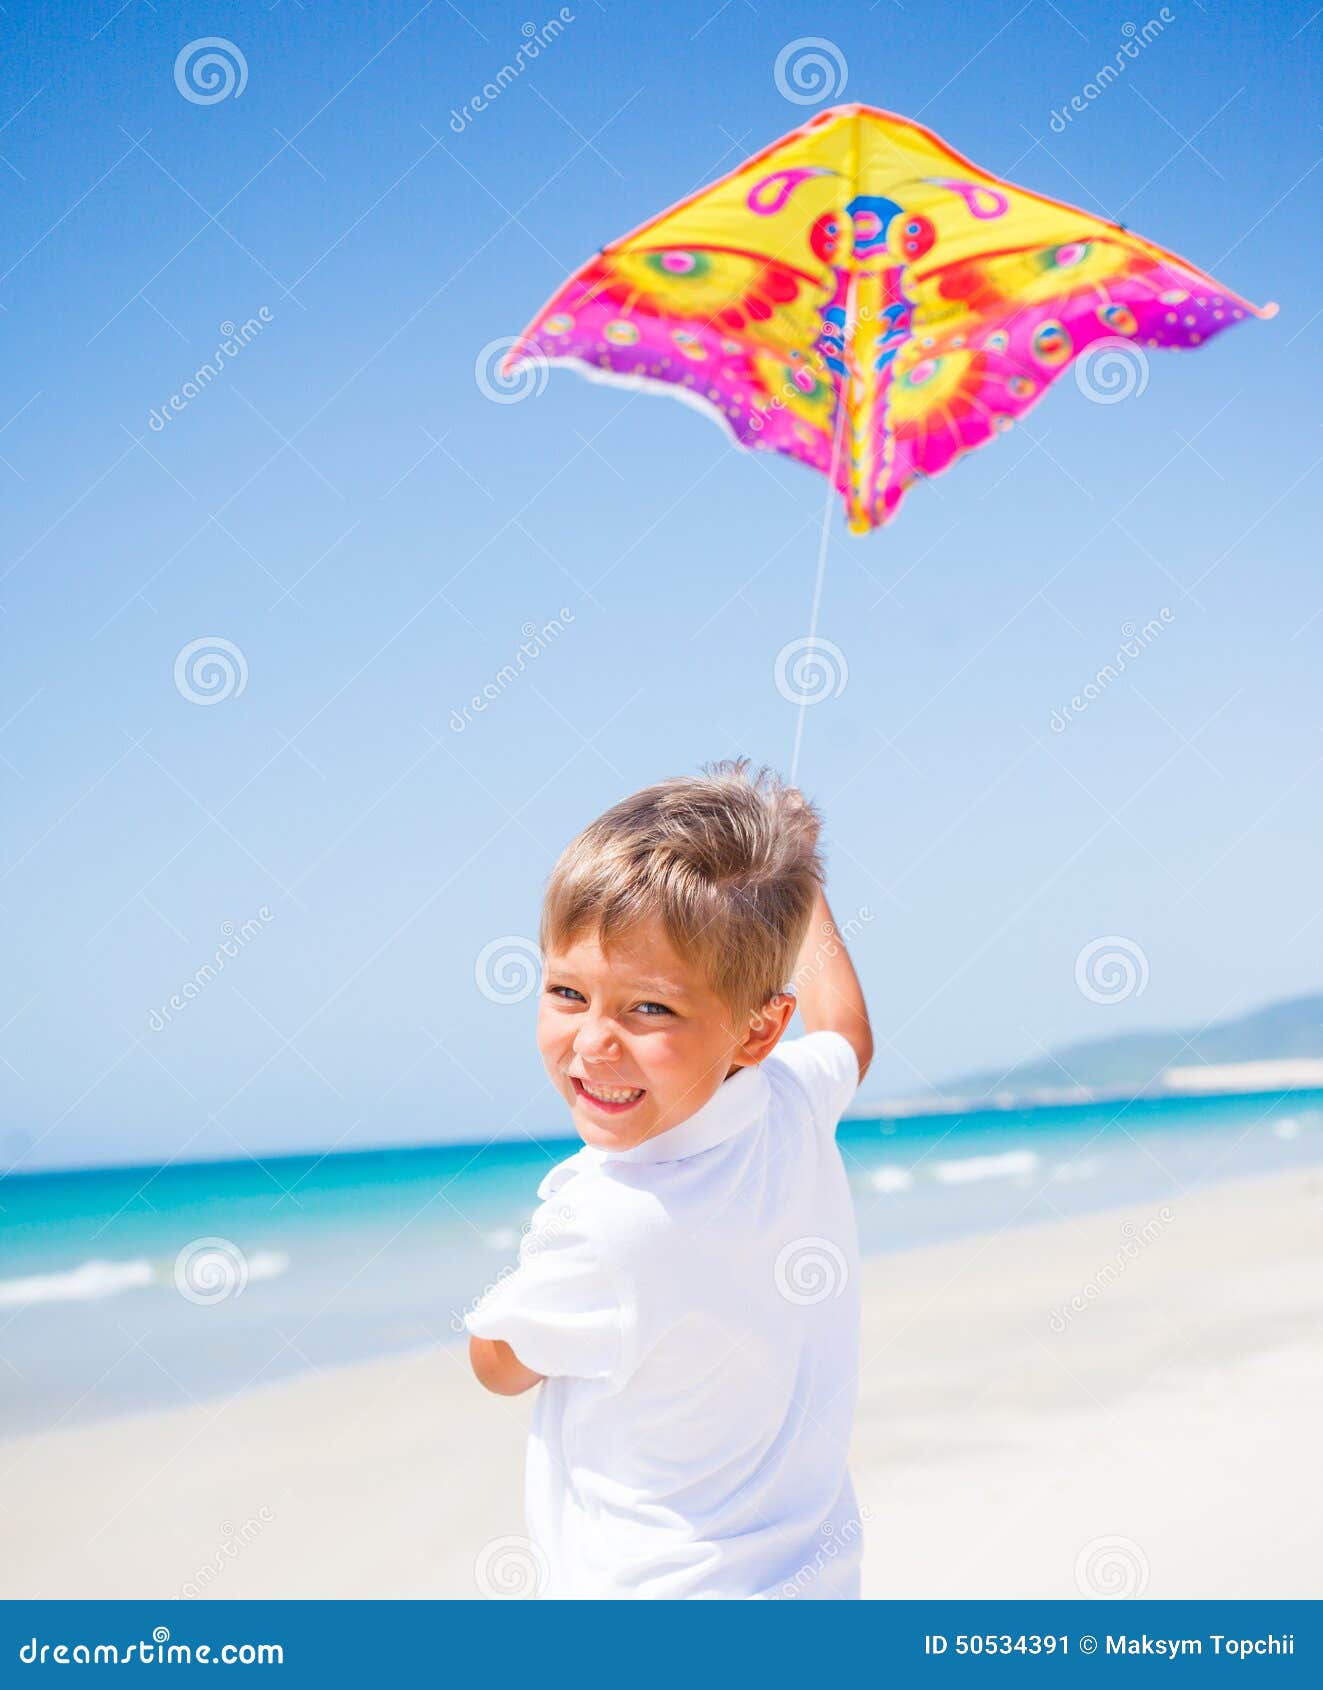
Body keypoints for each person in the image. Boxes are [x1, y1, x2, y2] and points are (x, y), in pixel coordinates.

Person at [465, 756, 873, 1598]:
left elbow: (498, 1364)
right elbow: (846, 1034)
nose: (593, 1043)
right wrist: (802, 886)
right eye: (567, 992)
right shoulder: (789, 1102)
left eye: (649, 1008)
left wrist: (538, 1268)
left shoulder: (611, 1219)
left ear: (756, 1032)